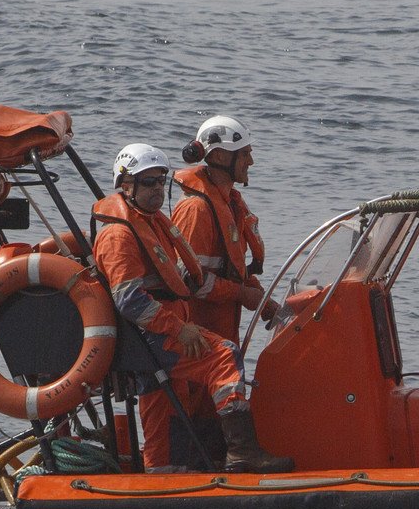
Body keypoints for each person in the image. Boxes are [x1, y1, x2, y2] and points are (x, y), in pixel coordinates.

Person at [91, 142, 293, 474]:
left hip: (159, 336)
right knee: (224, 355)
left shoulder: (152, 223)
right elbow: (129, 300)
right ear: (126, 185)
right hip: (150, 338)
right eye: (148, 182)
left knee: (163, 412)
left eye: (160, 181)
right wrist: (179, 329)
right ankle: (243, 453)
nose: (157, 189)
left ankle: (161, 480)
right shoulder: (118, 236)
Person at [171, 114, 276, 342]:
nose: (251, 162)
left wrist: (264, 301)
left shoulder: (230, 204)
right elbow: (188, 281)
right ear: (219, 155)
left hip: (222, 333)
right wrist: (243, 294)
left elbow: (232, 270)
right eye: (245, 154)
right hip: (198, 340)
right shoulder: (196, 210)